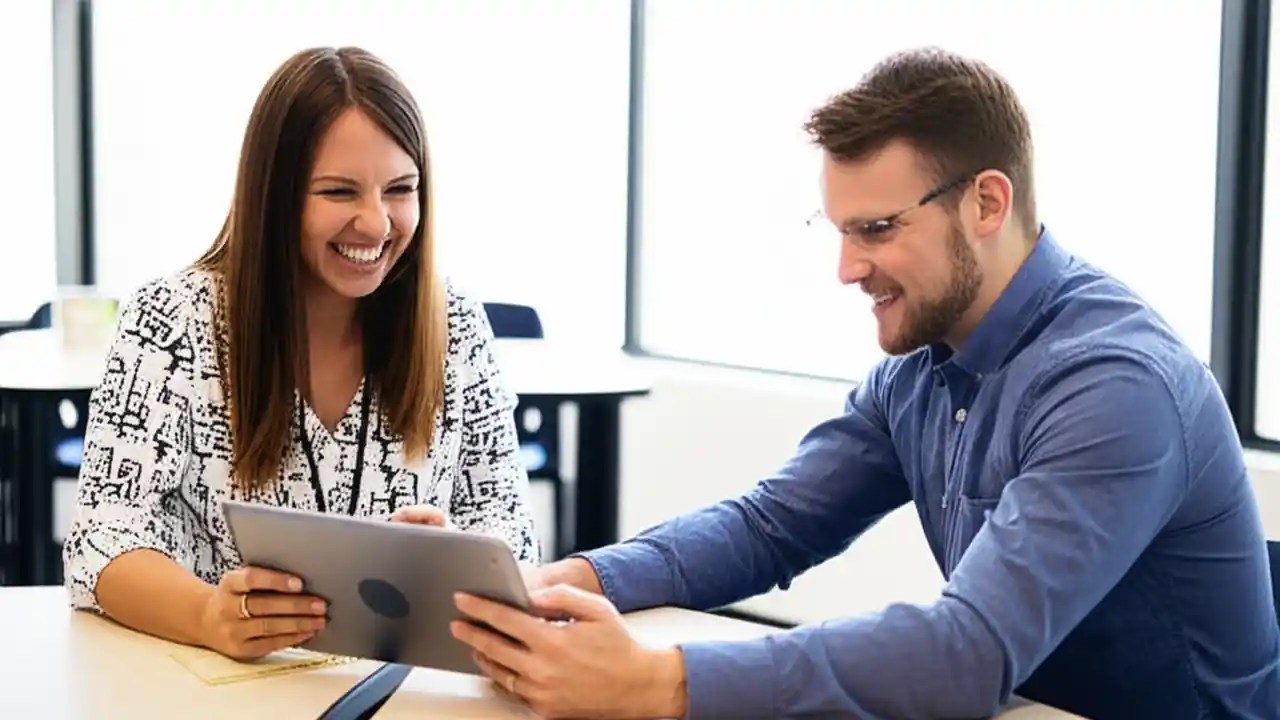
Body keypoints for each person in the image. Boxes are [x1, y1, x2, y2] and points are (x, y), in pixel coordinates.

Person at [449, 47, 1280, 719]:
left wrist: (659, 683)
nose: (848, 268)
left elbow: (968, 653)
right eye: (842, 230)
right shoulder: (924, 362)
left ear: (988, 204)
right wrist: (570, 581)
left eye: (877, 230)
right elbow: (771, 526)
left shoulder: (1114, 386)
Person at [62, 46, 539, 662]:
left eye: (401, 189)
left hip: (408, 689)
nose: (376, 224)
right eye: (339, 193)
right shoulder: (173, 320)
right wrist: (209, 615)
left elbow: (513, 535)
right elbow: (100, 539)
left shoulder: (456, 326)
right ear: (275, 196)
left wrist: (457, 563)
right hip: (218, 690)